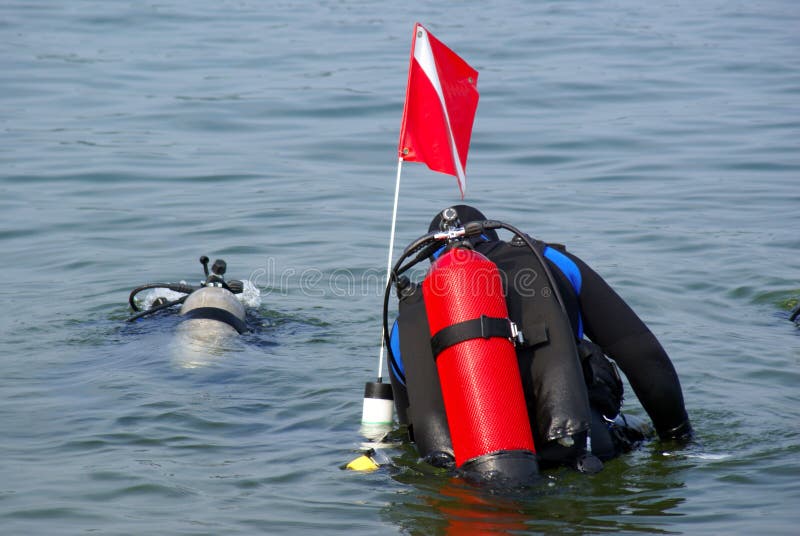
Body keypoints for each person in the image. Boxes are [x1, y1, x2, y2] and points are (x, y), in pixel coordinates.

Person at [386, 205, 692, 474]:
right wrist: (677, 439)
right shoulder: (551, 261)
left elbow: (410, 430)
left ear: (433, 262)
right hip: (580, 455)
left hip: (472, 478)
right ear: (493, 238)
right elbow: (643, 356)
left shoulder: (406, 319)